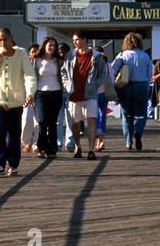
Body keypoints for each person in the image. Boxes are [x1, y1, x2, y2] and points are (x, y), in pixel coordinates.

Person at [0, 27, 36, 176]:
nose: (2, 42)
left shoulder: (21, 53)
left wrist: (30, 93)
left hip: (16, 101)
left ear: (11, 38)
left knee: (14, 133)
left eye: (5, 39)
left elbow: (29, 75)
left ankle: (13, 164)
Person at [61, 30, 107, 159]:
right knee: (75, 124)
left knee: (91, 120)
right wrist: (66, 84)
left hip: (90, 94)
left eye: (78, 39)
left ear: (85, 40)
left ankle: (91, 150)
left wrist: (94, 85)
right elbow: (63, 72)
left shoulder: (96, 56)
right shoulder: (70, 55)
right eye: (74, 40)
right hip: (74, 94)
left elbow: (103, 74)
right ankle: (78, 146)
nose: (76, 42)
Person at [110, 32, 153, 151]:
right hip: (142, 86)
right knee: (141, 114)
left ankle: (128, 142)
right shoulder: (145, 56)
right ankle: (138, 133)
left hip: (126, 86)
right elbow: (150, 74)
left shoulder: (123, 55)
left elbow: (112, 70)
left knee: (126, 115)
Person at [33, 38, 65, 157]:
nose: (51, 47)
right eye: (49, 45)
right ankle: (41, 147)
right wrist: (30, 94)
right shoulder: (36, 60)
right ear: (44, 45)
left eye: (53, 45)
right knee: (42, 121)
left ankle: (52, 149)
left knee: (52, 122)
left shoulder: (58, 60)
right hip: (41, 93)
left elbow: (64, 76)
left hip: (56, 93)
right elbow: (32, 77)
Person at [21, 44, 41, 154]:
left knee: (38, 122)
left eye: (36, 52)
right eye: (32, 52)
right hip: (27, 96)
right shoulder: (24, 65)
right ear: (29, 53)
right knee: (27, 119)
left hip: (39, 96)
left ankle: (35, 144)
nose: (34, 54)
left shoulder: (41, 64)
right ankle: (26, 142)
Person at [94, 44, 111, 153]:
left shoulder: (92, 61)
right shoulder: (106, 63)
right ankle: (100, 139)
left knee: (94, 117)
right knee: (102, 115)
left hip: (93, 92)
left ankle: (98, 140)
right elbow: (112, 77)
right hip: (104, 92)